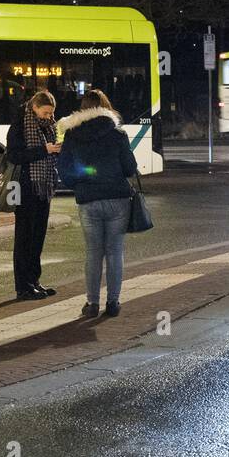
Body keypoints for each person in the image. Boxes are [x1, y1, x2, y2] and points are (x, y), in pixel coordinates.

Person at [57, 90, 137, 318]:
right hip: (117, 199)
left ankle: (92, 304)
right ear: (106, 108)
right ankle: (113, 303)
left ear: (83, 109)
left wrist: (79, 184)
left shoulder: (72, 135)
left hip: (88, 200)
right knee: (114, 252)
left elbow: (65, 171)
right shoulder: (118, 134)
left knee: (93, 252)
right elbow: (130, 168)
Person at [6, 90, 61, 300]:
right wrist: (44, 150)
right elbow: (15, 156)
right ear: (35, 108)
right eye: (46, 113)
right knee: (24, 237)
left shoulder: (47, 126)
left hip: (43, 187)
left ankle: (34, 281)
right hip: (26, 187)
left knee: (38, 236)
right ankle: (23, 286)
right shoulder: (20, 125)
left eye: (51, 113)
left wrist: (56, 149)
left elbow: (48, 150)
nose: (49, 117)